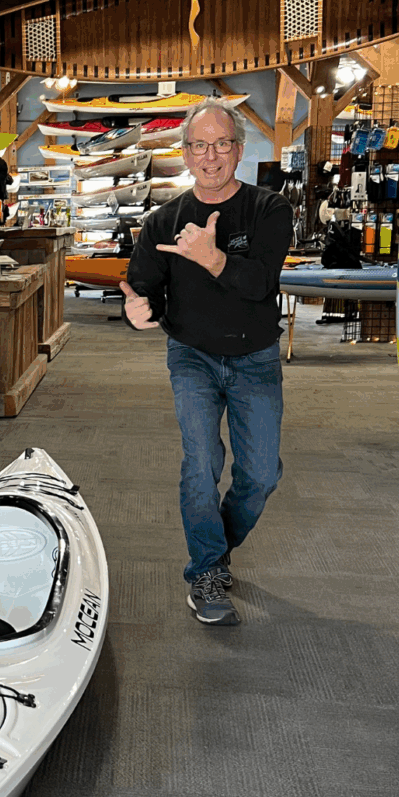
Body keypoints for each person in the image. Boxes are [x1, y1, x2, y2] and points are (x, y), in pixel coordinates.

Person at [120, 98, 294, 627]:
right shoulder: (163, 221)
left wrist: (212, 257)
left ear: (238, 150)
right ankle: (207, 571)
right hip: (191, 356)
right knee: (201, 463)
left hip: (255, 357)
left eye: (221, 144)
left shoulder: (269, 209)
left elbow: (260, 282)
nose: (210, 156)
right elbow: (143, 285)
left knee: (261, 474)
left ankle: (214, 547)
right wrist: (138, 308)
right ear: (185, 153)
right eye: (200, 145)